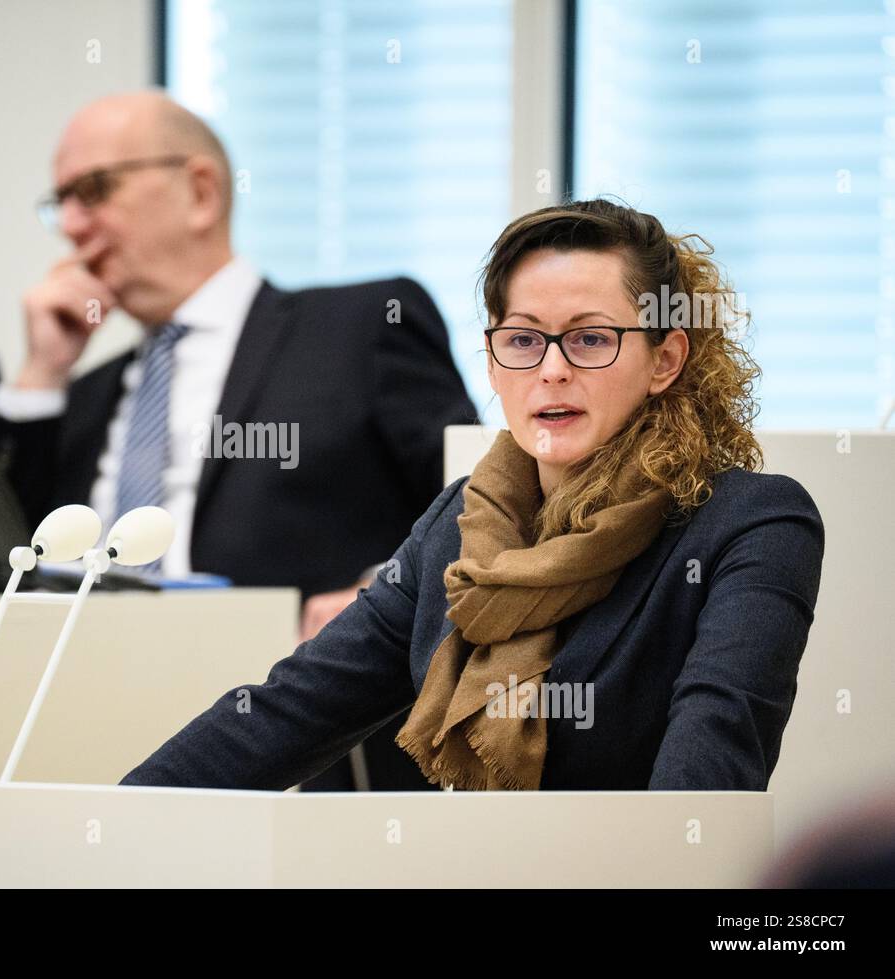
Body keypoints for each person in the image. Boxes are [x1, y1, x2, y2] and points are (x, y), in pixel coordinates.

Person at [120, 198, 825, 792]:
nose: (550, 370)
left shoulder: (752, 523)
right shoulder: (459, 526)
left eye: (589, 339)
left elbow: (709, 771)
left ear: (665, 359)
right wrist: (110, 824)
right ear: (491, 359)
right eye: (522, 341)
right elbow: (288, 711)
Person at [0, 91, 478, 790]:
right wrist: (42, 375)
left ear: (199, 191)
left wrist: (378, 590)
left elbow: (479, 510)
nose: (70, 225)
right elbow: (9, 561)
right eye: (60, 201)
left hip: (300, 739)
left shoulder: (360, 327)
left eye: (94, 190)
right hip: (86, 725)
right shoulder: (87, 392)